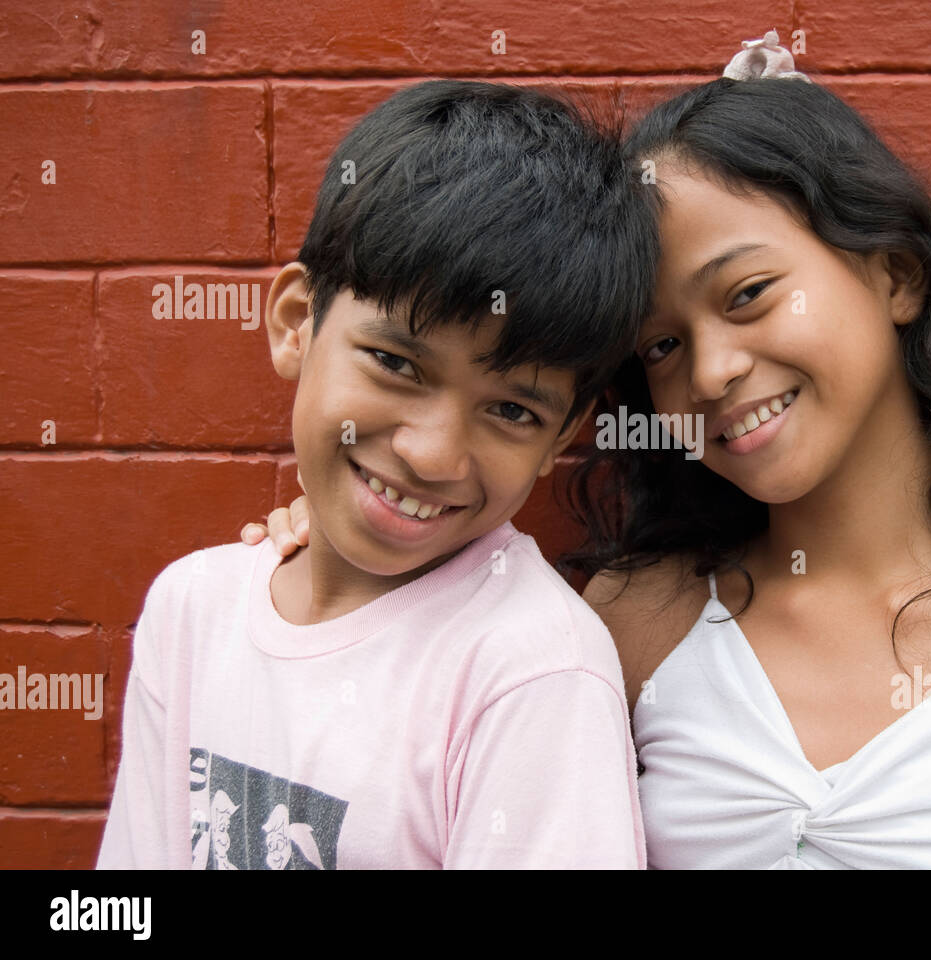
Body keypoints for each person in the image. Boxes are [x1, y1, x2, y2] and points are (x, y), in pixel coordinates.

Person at [247, 36, 931, 869]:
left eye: (747, 294)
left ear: (895, 272)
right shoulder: (630, 626)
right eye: (661, 347)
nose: (708, 372)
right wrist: (327, 550)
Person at [97, 79, 658, 869]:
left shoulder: (531, 672)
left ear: (563, 434)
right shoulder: (193, 613)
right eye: (396, 363)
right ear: (297, 324)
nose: (432, 454)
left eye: (511, 412)